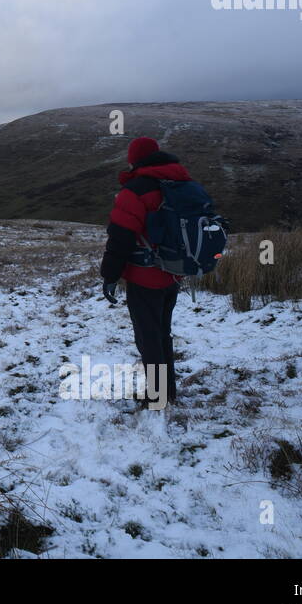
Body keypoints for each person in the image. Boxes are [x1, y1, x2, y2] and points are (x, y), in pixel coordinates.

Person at [100, 136, 189, 408]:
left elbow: (120, 239)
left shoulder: (134, 192)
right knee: (162, 332)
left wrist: (110, 276)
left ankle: (159, 396)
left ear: (134, 159)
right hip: (173, 273)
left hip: (144, 276)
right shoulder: (181, 184)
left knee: (148, 337)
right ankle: (167, 391)